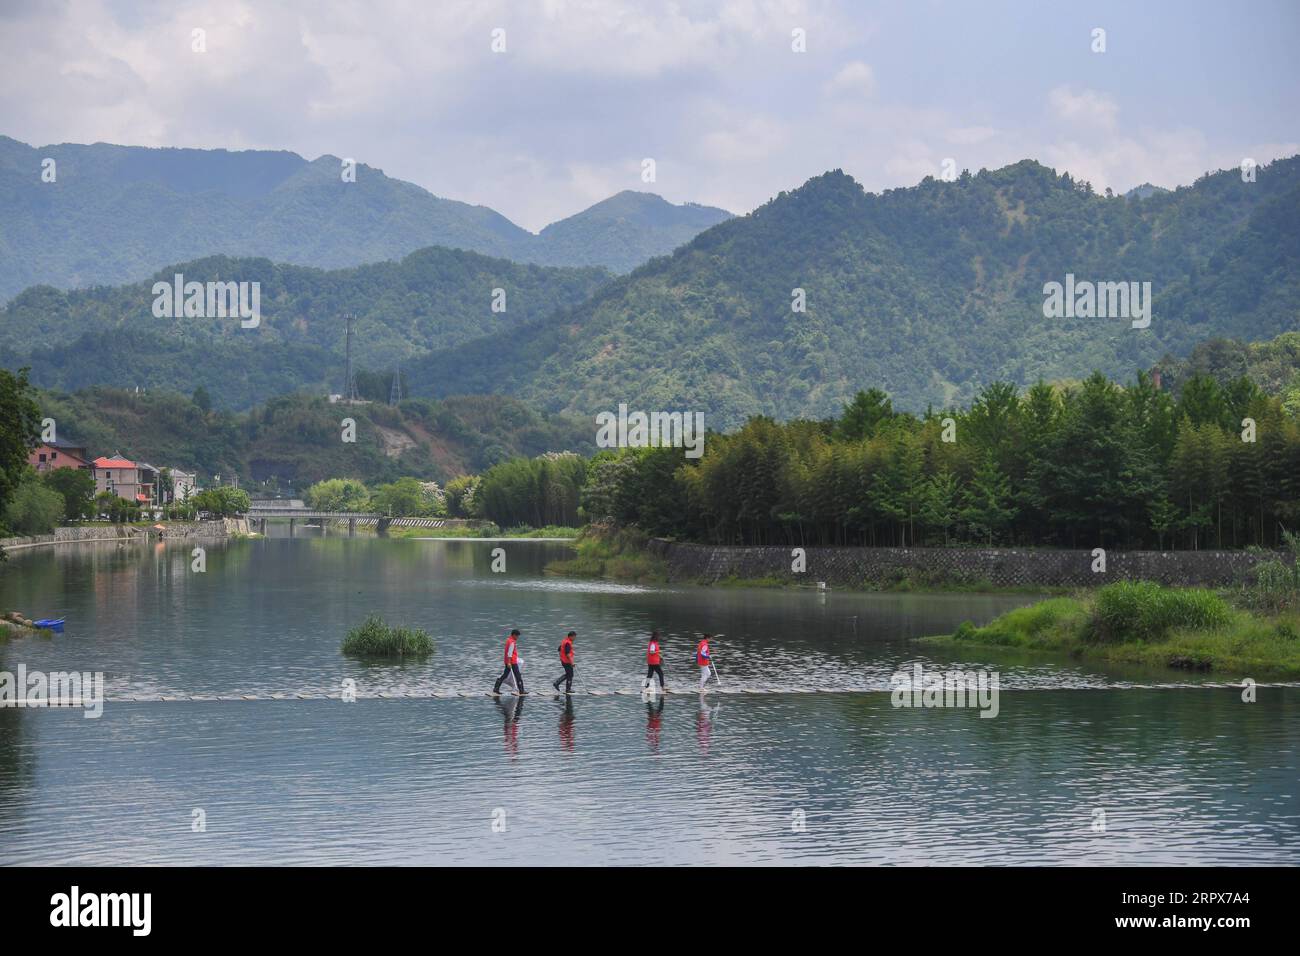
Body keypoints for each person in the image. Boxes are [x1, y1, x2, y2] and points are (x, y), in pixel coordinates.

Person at [493, 629, 525, 695]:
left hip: (508, 661)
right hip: (512, 662)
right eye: (517, 636)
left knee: (505, 675)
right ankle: (521, 690)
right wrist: (509, 662)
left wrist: (508, 662)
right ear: (513, 635)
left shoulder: (508, 640)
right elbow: (509, 653)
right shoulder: (512, 642)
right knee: (518, 676)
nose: (517, 638)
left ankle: (496, 688)